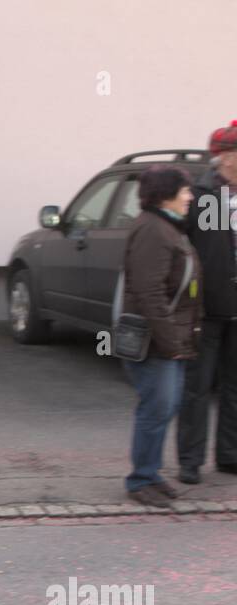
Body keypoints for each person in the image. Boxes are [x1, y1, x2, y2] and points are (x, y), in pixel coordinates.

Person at [121, 164, 201, 506]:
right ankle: (140, 479)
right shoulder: (154, 230)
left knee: (161, 409)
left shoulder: (167, 227)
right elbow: (149, 292)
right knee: (156, 410)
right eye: (185, 191)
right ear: (166, 194)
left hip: (169, 339)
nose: (191, 197)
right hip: (156, 342)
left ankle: (149, 473)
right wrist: (172, 343)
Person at [177, 122, 237, 483]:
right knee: (197, 388)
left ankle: (230, 455)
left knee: (235, 387)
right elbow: (179, 247)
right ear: (226, 158)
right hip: (206, 308)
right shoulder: (199, 195)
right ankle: (190, 460)